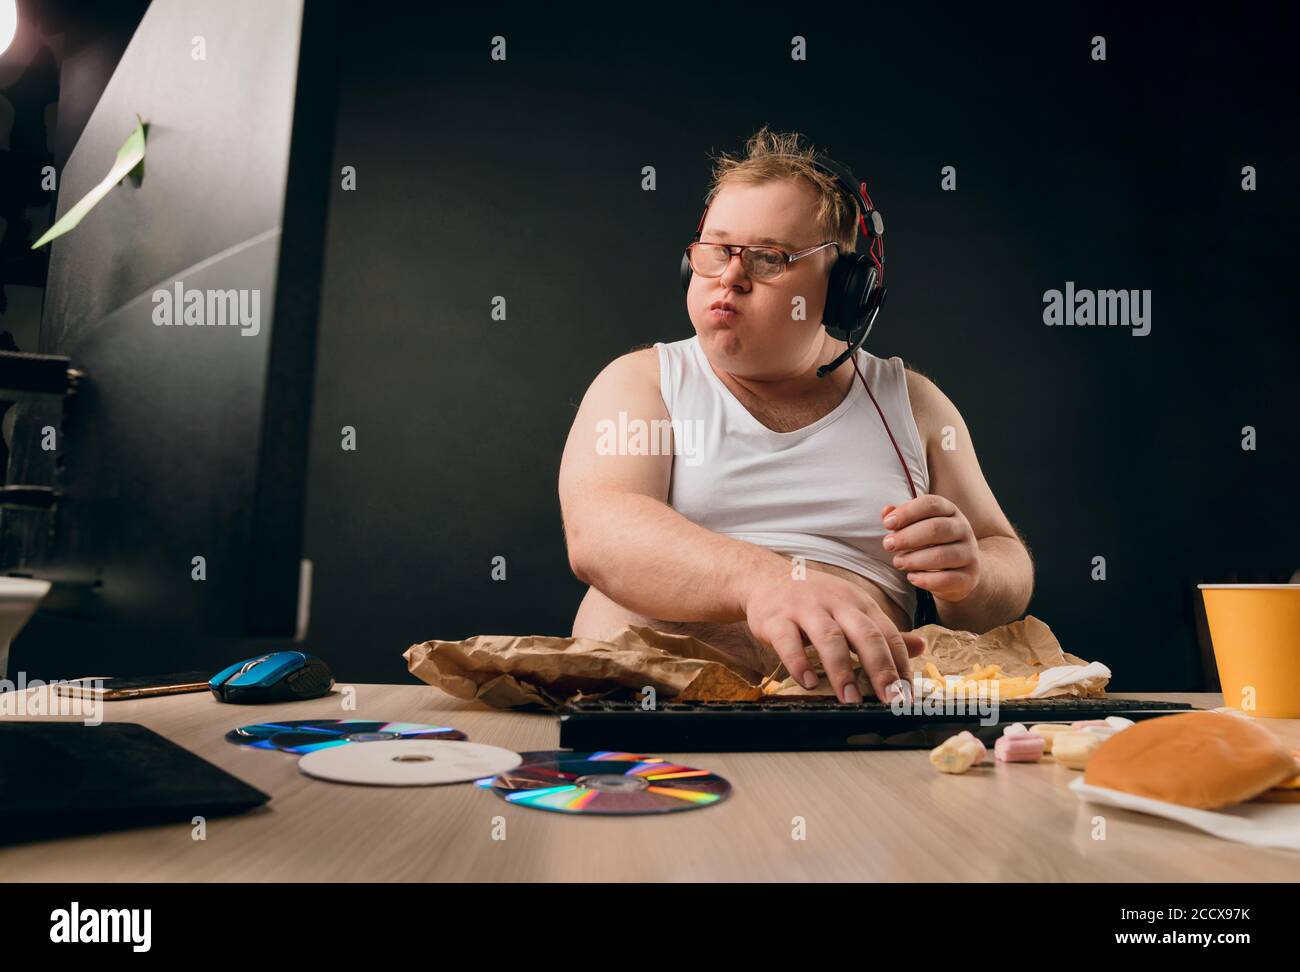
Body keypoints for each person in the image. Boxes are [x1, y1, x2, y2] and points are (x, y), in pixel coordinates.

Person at [558, 127, 1033, 704]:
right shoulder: (642, 381)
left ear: (843, 289)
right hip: (646, 713)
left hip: (849, 727)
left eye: (769, 258)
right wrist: (767, 582)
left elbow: (1006, 561)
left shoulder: (913, 403)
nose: (731, 276)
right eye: (716, 250)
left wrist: (973, 573)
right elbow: (599, 531)